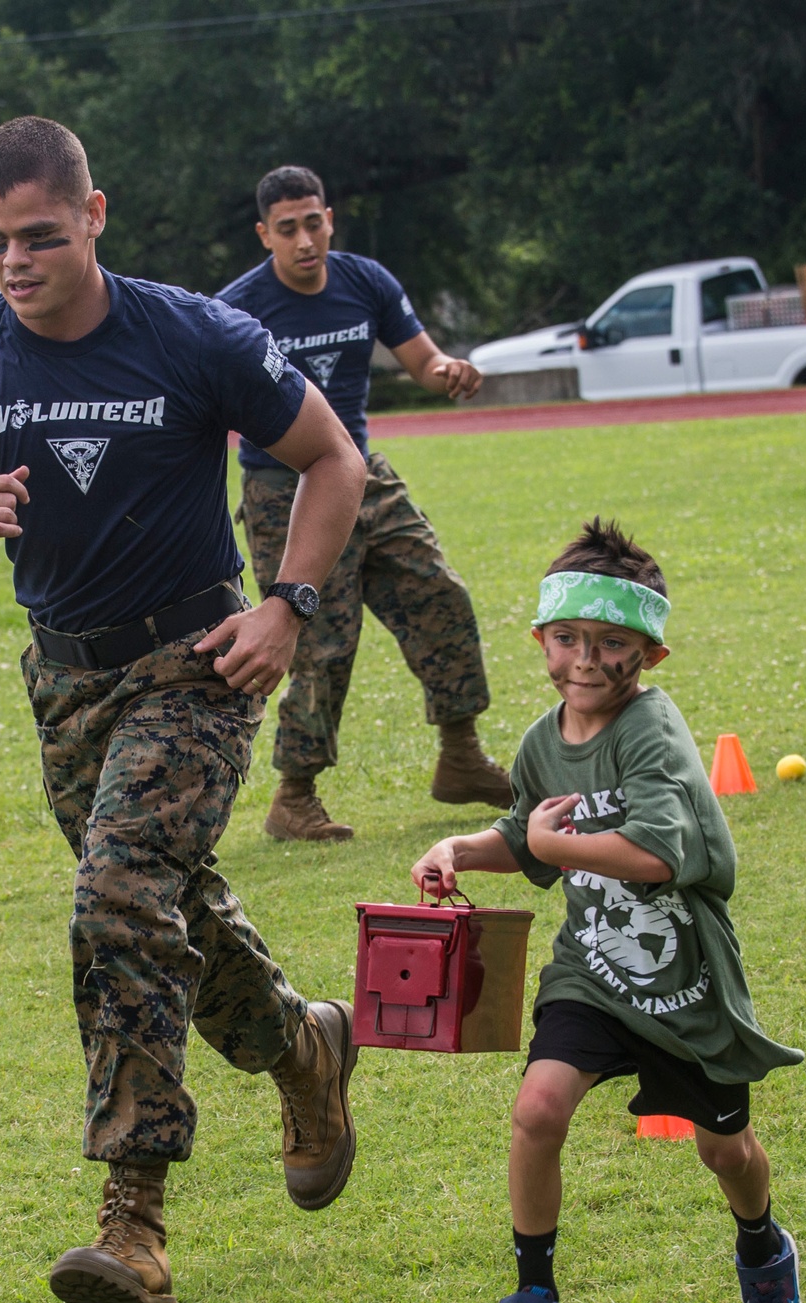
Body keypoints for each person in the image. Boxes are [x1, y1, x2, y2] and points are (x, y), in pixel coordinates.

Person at [0, 117, 368, 1303]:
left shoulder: (192, 334)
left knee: (115, 899)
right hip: (66, 690)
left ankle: (133, 1222)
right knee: (162, 904)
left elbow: (332, 461)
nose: (13, 265)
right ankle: (304, 1046)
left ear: (95, 215)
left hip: (197, 665)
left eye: (38, 237)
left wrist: (288, 609)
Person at [411, 517, 805, 1303]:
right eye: (566, 638)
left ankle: (763, 1245)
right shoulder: (541, 743)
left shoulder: (649, 733)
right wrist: (458, 851)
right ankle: (532, 1296)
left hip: (685, 983)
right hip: (589, 970)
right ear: (541, 639)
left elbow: (658, 858)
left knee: (723, 1149)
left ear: (650, 655)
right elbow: (526, 835)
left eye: (610, 642)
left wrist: (553, 849)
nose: (585, 659)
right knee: (537, 1109)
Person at [217, 165, 513, 842]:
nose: (303, 240)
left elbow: (423, 362)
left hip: (362, 474)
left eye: (312, 222)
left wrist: (448, 371)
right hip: (282, 488)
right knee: (319, 638)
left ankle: (462, 757)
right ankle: (294, 797)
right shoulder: (237, 308)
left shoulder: (366, 282)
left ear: (330, 219)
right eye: (286, 229)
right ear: (265, 235)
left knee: (440, 594)